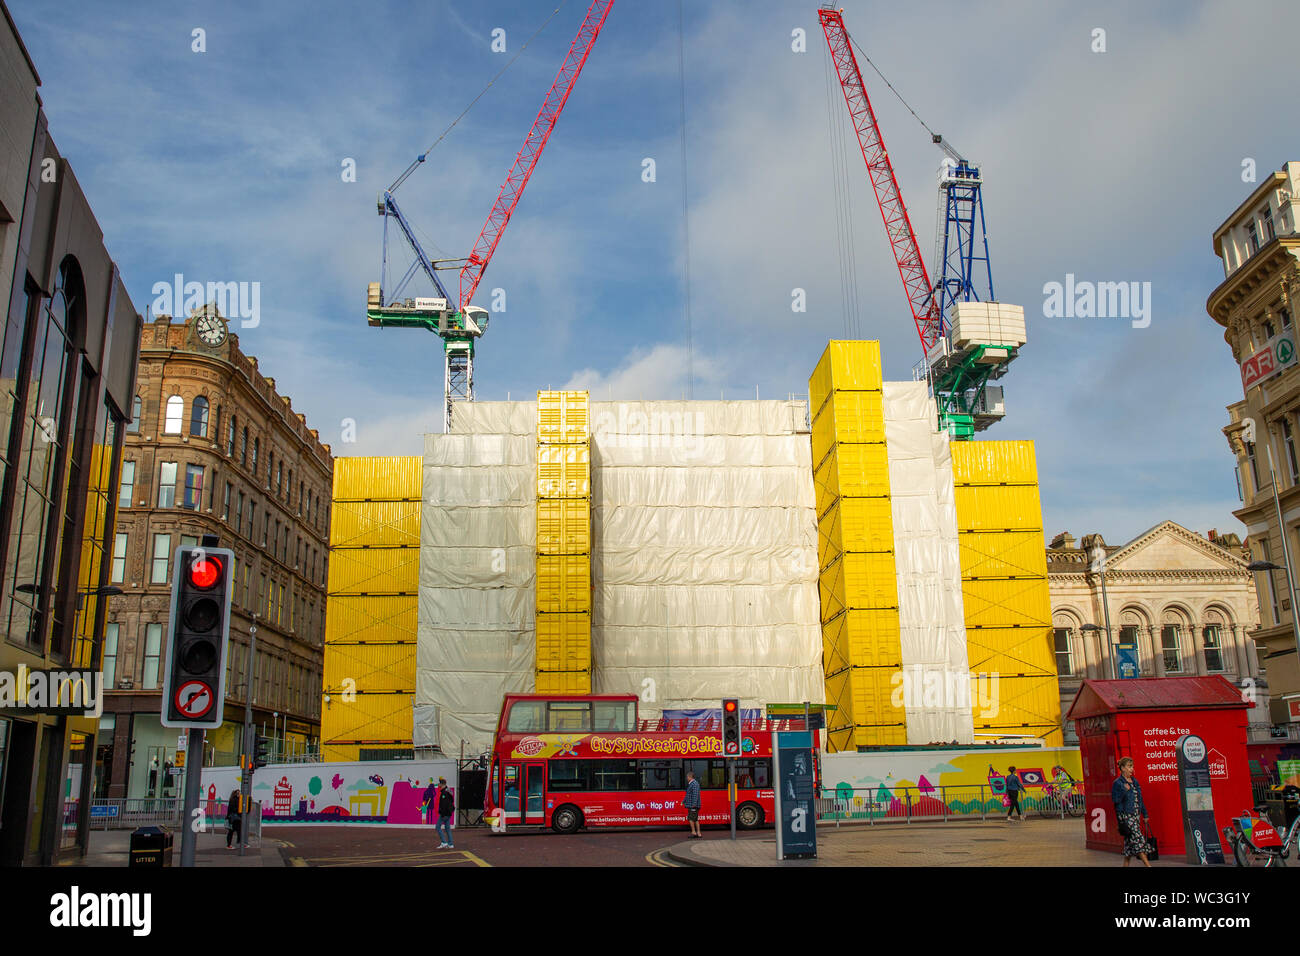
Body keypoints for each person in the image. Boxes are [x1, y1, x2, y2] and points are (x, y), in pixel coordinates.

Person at [1112, 756, 1152, 867]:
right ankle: (1148, 866)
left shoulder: (1135, 782)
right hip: (1126, 817)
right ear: (1123, 768)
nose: (1131, 769)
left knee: (1129, 846)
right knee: (1138, 840)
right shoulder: (1118, 783)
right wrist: (1124, 790)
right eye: (1129, 766)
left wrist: (1145, 814)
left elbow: (1140, 799)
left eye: (1132, 766)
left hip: (1136, 816)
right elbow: (1116, 800)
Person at [435, 777, 455, 849]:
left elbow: (444, 804)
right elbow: (451, 801)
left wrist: (442, 813)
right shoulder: (448, 791)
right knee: (447, 829)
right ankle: (450, 843)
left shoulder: (444, 793)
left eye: (439, 783)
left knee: (437, 827)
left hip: (444, 813)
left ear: (441, 784)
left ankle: (444, 842)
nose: (438, 784)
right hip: (449, 813)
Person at [683, 769, 702, 838]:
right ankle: (698, 833)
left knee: (691, 819)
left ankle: (694, 832)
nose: (687, 778)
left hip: (693, 805)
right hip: (693, 805)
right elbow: (688, 794)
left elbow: (695, 795)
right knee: (695, 819)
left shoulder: (694, 784)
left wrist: (693, 805)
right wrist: (683, 801)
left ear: (690, 777)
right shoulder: (693, 784)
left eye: (687, 777)